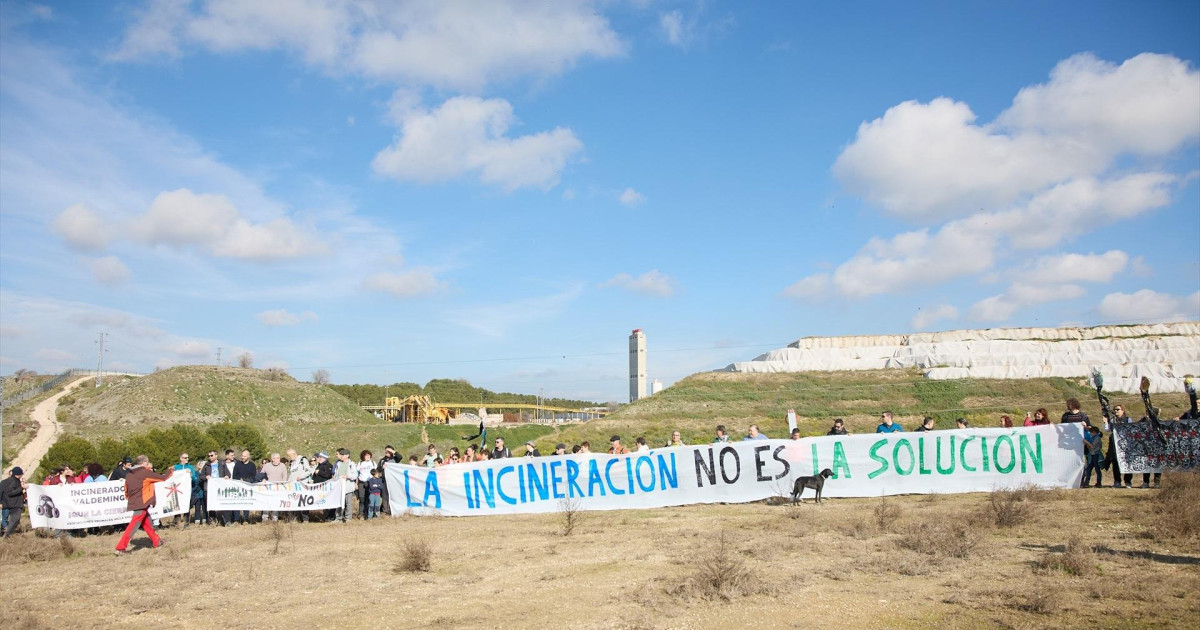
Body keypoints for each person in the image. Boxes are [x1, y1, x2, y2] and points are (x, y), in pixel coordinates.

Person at [114, 455, 170, 555]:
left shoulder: (129, 474)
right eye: (147, 463)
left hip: (135, 501)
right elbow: (163, 478)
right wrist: (171, 470)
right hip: (142, 503)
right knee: (133, 526)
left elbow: (126, 489)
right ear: (144, 463)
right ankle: (120, 547)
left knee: (147, 523)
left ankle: (157, 541)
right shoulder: (144, 472)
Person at [1104, 405, 1133, 488]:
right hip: (1114, 444)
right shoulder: (1112, 420)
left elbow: (1131, 429)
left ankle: (1128, 481)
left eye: (1118, 409)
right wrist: (1106, 422)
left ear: (1122, 410)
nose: (1116, 411)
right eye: (1114, 410)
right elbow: (1107, 430)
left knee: (1127, 463)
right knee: (1115, 463)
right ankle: (1117, 481)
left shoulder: (1128, 419)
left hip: (1125, 444)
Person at [172, 453, 199, 528]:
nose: (187, 459)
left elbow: (194, 479)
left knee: (186, 507)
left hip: (187, 490)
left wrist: (190, 474)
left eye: (188, 458)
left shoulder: (190, 467)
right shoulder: (176, 467)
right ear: (181, 458)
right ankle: (176, 523)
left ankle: (186, 523)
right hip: (177, 490)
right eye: (185, 458)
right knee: (177, 506)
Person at [230, 450, 256, 524]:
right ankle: (236, 519)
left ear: (248, 456)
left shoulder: (252, 465)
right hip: (238, 487)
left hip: (247, 487)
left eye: (244, 456)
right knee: (237, 503)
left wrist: (245, 480)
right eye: (242, 456)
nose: (243, 457)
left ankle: (246, 519)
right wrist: (239, 480)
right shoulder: (237, 464)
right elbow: (234, 475)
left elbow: (253, 477)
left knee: (246, 503)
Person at [261, 453, 288, 521]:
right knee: (266, 502)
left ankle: (275, 518)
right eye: (277, 458)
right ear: (273, 459)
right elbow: (261, 474)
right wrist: (263, 479)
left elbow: (285, 476)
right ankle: (265, 518)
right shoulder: (267, 466)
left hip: (278, 487)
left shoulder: (282, 466)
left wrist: (283, 484)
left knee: (276, 503)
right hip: (268, 488)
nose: (279, 459)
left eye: (279, 458)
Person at [1, 466, 26, 538]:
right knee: (14, 520)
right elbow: (10, 492)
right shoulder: (13, 481)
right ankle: (7, 535)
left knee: (15, 520)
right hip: (14, 503)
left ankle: (8, 535)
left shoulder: (13, 481)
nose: (22, 475)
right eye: (21, 474)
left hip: (12, 503)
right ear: (18, 474)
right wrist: (21, 488)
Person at [333, 448, 358, 522]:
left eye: (343, 454)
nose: (341, 456)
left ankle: (348, 518)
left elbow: (355, 475)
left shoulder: (351, 464)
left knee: (348, 503)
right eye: (341, 454)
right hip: (339, 486)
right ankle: (338, 518)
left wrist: (347, 476)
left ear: (347, 455)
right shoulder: (338, 463)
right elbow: (336, 473)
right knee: (339, 502)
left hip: (348, 486)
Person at [357, 451, 376, 518]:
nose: (368, 456)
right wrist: (356, 483)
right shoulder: (360, 463)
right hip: (362, 482)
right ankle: (361, 513)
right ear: (363, 456)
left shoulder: (373, 463)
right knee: (362, 498)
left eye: (369, 455)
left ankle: (369, 513)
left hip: (370, 482)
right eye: (366, 455)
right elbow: (357, 473)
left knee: (370, 498)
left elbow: (376, 472)